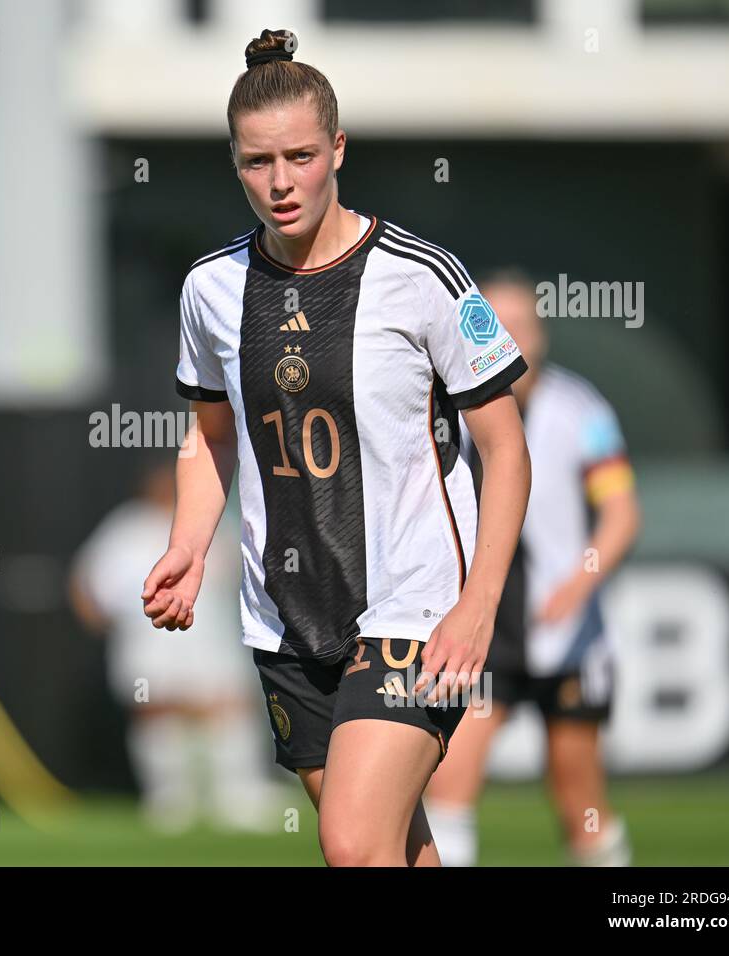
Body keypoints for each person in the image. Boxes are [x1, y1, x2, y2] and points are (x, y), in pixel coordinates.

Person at [141, 29, 531, 866]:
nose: (281, 183)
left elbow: (507, 447)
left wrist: (480, 602)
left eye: (300, 156)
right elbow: (211, 437)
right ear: (235, 162)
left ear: (339, 148)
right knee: (392, 845)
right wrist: (186, 544)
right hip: (286, 613)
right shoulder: (210, 290)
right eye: (257, 162)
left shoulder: (424, 276)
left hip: (415, 606)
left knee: (353, 845)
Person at [424, 270, 640, 867]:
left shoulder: (581, 409)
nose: (510, 335)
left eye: (522, 323)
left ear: (541, 334)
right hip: (484, 625)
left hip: (566, 634)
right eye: (496, 322)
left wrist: (578, 586)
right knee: (449, 785)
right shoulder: (449, 408)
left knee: (578, 797)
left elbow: (621, 513)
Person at [70, 460, 274, 832]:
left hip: (208, 636)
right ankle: (169, 799)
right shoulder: (124, 529)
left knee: (225, 706)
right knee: (158, 710)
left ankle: (239, 797)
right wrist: (108, 626)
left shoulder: (210, 525)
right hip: (147, 641)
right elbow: (87, 583)